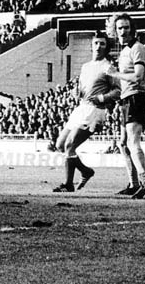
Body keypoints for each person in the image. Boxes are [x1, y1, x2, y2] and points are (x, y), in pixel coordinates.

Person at [52, 31, 120, 192]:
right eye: (96, 43)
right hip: (81, 107)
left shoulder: (108, 67)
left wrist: (102, 98)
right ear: (91, 46)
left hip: (95, 111)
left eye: (102, 44)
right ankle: (86, 171)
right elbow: (82, 88)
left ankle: (68, 184)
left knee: (70, 145)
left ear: (107, 47)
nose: (98, 46)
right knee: (60, 145)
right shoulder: (86, 67)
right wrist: (76, 92)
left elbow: (118, 91)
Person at [105, 13, 145, 199]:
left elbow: (139, 76)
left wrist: (116, 75)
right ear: (115, 31)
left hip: (136, 97)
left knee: (133, 142)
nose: (123, 31)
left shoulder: (137, 48)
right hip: (127, 99)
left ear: (133, 29)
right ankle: (133, 184)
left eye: (126, 27)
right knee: (123, 144)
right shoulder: (125, 51)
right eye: (120, 28)